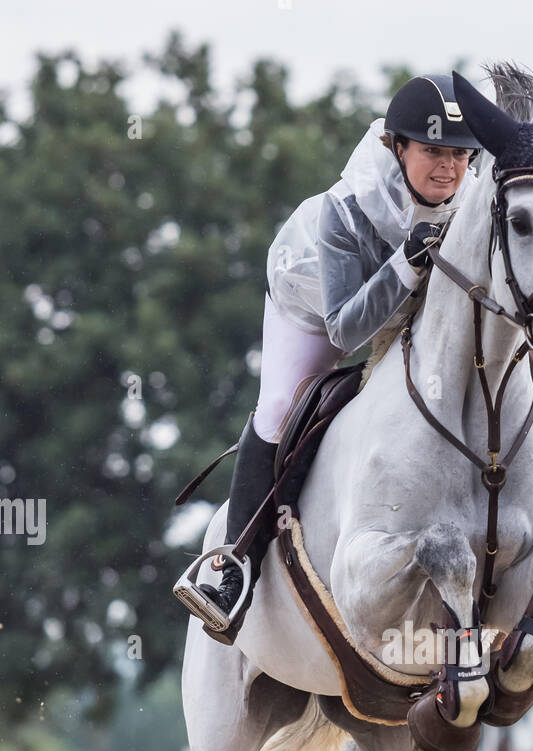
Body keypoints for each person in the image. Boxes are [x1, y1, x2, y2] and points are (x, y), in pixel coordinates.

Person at [177, 75, 482, 643]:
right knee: (279, 408)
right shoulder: (348, 210)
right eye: (434, 151)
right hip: (316, 303)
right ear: (397, 147)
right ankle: (233, 566)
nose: (450, 169)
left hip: (413, 312)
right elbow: (347, 327)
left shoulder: (473, 200)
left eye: (462, 155)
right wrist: (405, 266)